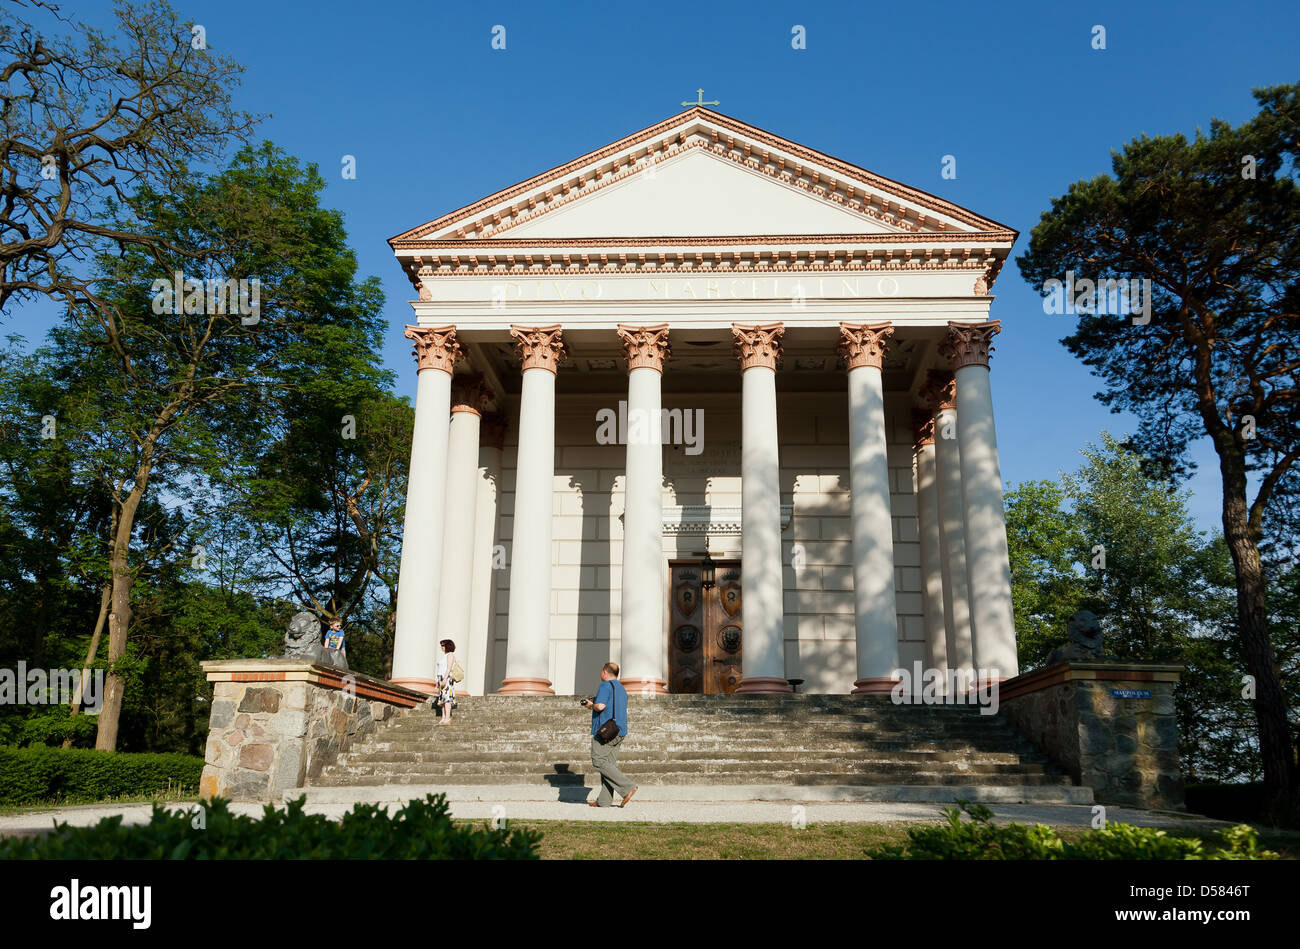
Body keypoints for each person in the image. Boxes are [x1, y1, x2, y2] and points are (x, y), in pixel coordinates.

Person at [581, 662, 637, 808]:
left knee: (598, 761)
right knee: (609, 765)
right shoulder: (622, 689)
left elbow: (600, 706)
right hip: (620, 730)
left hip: (606, 731)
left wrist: (589, 705)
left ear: (605, 672)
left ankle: (627, 787)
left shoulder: (605, 686)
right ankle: (604, 801)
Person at [435, 639, 458, 725]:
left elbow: (449, 668)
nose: (442, 647)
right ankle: (443, 717)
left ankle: (447, 718)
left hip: (447, 678)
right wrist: (438, 681)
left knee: (447, 698)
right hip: (441, 678)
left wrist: (444, 679)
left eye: (443, 645)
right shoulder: (444, 656)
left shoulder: (450, 655)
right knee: (442, 699)